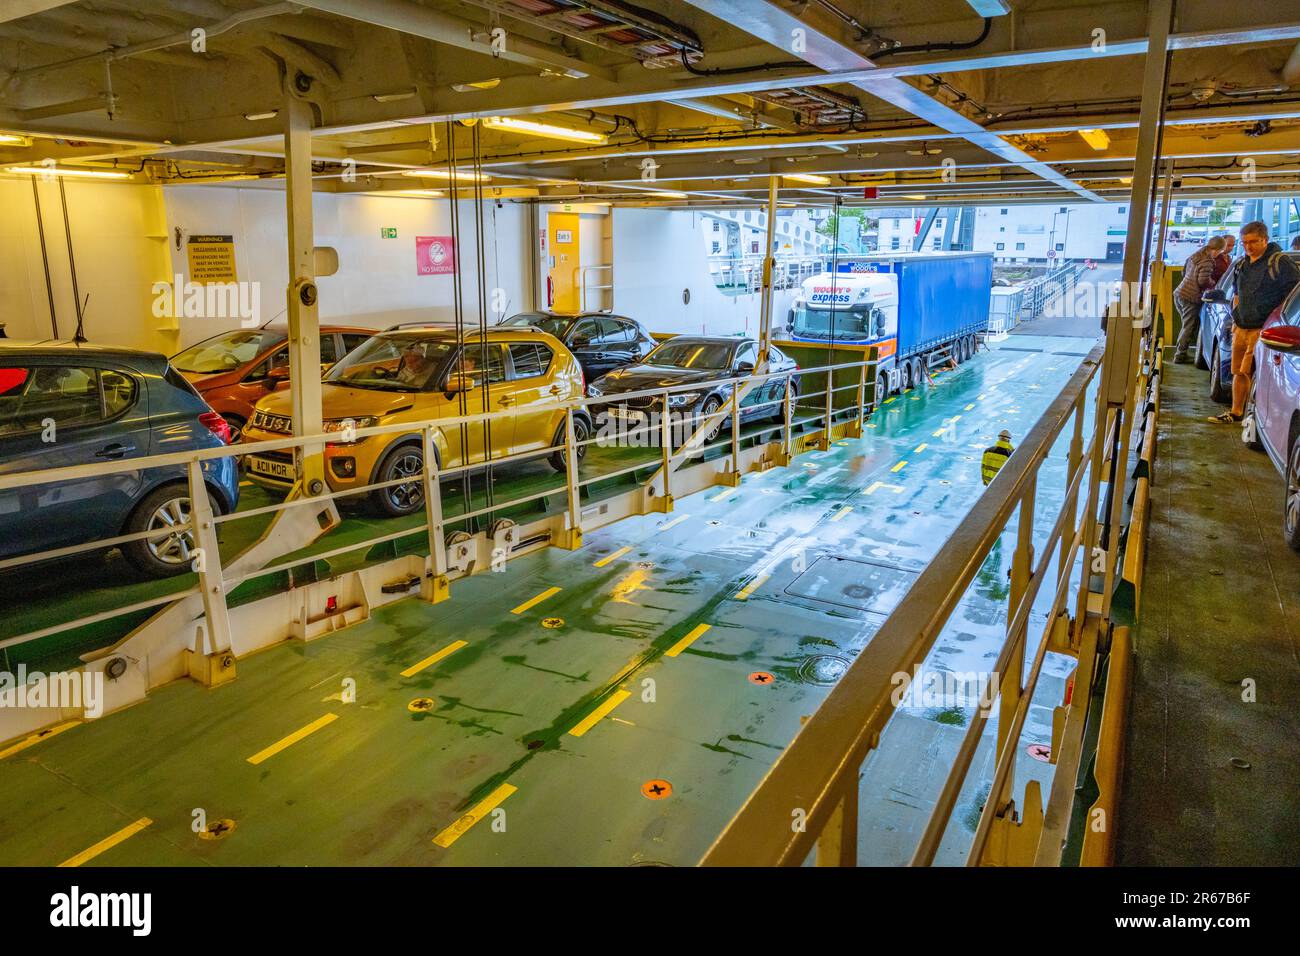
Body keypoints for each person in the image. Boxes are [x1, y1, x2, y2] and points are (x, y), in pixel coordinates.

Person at [1208, 221, 1300, 424]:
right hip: (1241, 326)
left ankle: (1255, 417)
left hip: (1265, 329)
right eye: (1245, 242)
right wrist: (1236, 314)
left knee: (1254, 372)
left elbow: (1293, 295)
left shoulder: (1280, 263)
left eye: (1253, 242)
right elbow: (1237, 292)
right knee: (1238, 372)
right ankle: (1235, 412)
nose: (1248, 246)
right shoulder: (1242, 264)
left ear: (1265, 240)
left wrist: (1274, 322)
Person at [1173, 235, 1225, 363]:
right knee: (1188, 327)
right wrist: (1213, 283)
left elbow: (1183, 272)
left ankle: (1180, 353)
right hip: (1191, 298)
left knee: (1186, 326)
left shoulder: (1196, 255)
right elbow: (1202, 281)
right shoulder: (1207, 261)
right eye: (1221, 251)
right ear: (1217, 249)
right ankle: (1180, 356)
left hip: (1179, 293)